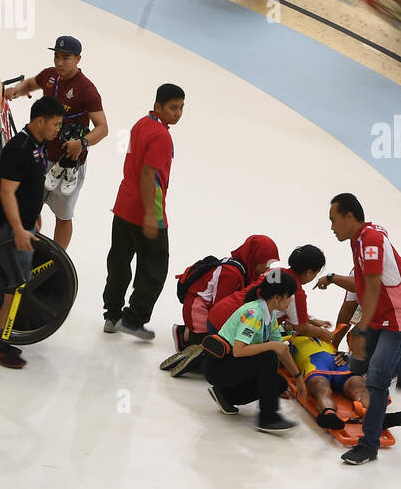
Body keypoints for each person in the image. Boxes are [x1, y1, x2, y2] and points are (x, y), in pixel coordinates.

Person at [327, 193, 401, 466]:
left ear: (350, 217)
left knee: (376, 378)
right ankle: (395, 386)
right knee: (359, 367)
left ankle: (368, 446)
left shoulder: (369, 241)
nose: (332, 227)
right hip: (382, 316)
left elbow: (374, 285)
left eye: (334, 220)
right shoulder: (359, 240)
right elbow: (363, 286)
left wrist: (361, 329)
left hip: (398, 318)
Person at [0, 95, 65, 368]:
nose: (58, 130)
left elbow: (30, 186)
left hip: (20, 225)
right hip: (7, 228)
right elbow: (6, 192)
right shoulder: (20, 149)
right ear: (40, 121)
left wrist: (35, 213)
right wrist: (18, 228)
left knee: (3, 282)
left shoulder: (37, 145)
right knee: (10, 286)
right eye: (55, 124)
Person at [4, 35, 108, 251]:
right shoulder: (50, 76)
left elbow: (102, 128)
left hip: (69, 163)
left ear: (78, 59)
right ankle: (29, 248)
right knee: (30, 205)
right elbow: (32, 83)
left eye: (66, 58)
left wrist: (82, 143)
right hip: (41, 156)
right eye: (57, 56)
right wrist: (16, 91)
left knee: (63, 215)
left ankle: (56, 261)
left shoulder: (87, 90)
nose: (59, 62)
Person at [104, 83, 184, 340]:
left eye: (182, 108)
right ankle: (134, 318)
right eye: (173, 107)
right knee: (155, 268)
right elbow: (149, 174)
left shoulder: (141, 123)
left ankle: (112, 315)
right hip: (147, 210)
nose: (178, 113)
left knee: (119, 261)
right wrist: (151, 215)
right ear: (158, 106)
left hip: (124, 204)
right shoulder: (162, 136)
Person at [163, 234, 278, 376]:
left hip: (206, 309)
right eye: (266, 263)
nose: (267, 267)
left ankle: (193, 341)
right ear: (255, 258)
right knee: (221, 347)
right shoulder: (231, 273)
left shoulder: (243, 269)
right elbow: (220, 308)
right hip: (197, 309)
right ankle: (186, 336)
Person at [202, 272, 302, 433]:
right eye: (289, 296)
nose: (291, 300)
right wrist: (272, 346)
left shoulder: (270, 314)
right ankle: (268, 418)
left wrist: (298, 377)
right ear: (277, 298)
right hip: (219, 366)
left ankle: (226, 395)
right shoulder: (254, 314)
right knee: (268, 356)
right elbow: (238, 351)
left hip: (231, 365)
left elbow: (282, 349)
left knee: (280, 383)